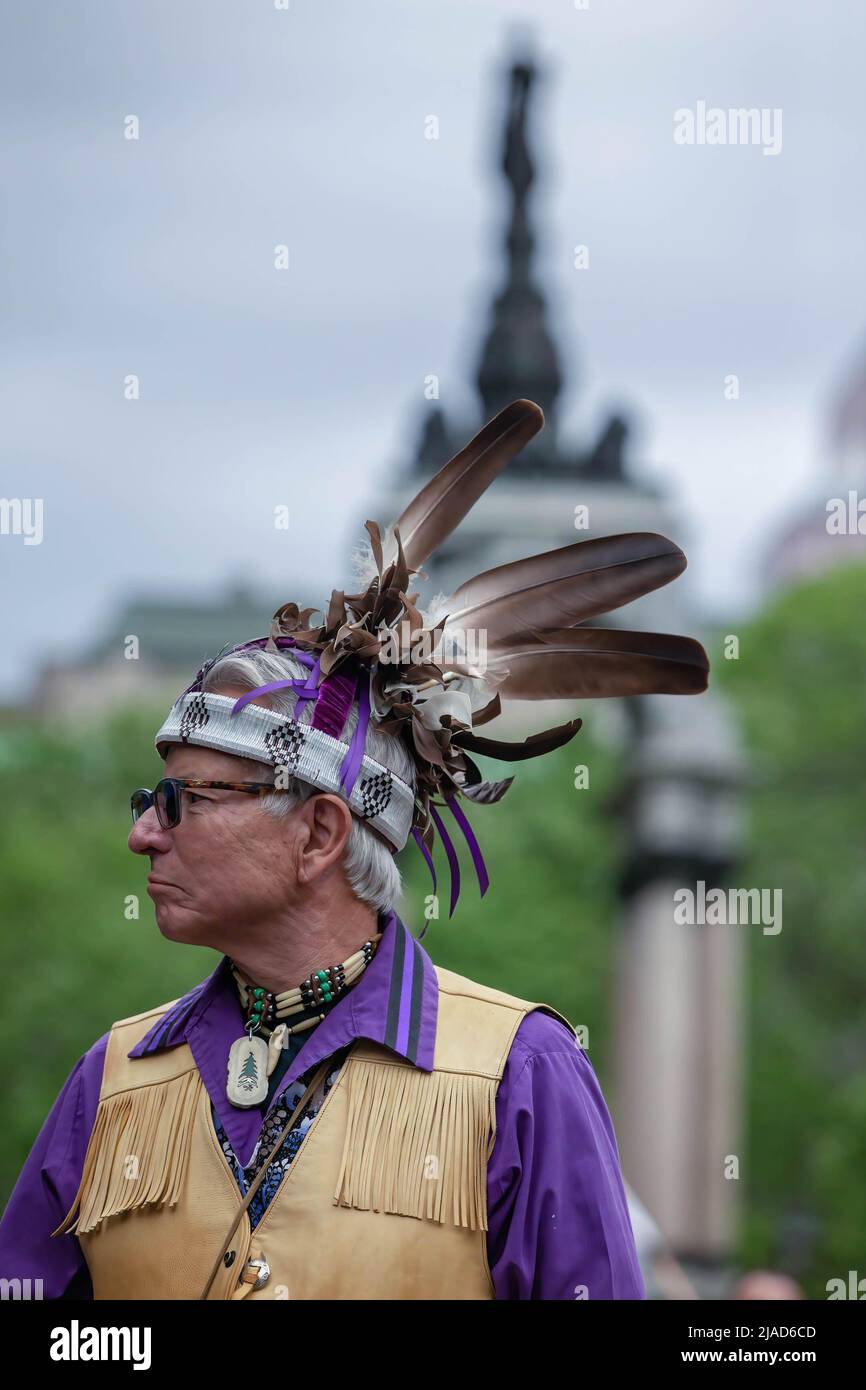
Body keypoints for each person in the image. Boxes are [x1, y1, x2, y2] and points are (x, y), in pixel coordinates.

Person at [0, 399, 708, 1299]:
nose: (144, 831)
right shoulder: (110, 1079)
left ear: (319, 835)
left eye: (186, 801)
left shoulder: (521, 1074)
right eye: (151, 798)